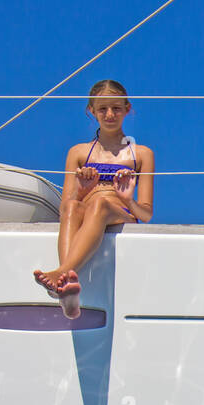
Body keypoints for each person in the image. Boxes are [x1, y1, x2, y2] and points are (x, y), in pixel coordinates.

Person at [33, 79, 154, 318]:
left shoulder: (141, 154)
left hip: (122, 213)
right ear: (92, 111)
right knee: (72, 206)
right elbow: (66, 205)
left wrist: (128, 199)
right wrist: (82, 188)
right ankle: (67, 288)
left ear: (127, 109)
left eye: (116, 108)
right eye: (103, 109)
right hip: (88, 212)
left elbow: (146, 215)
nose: (110, 114)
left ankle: (62, 273)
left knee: (100, 204)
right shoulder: (78, 152)